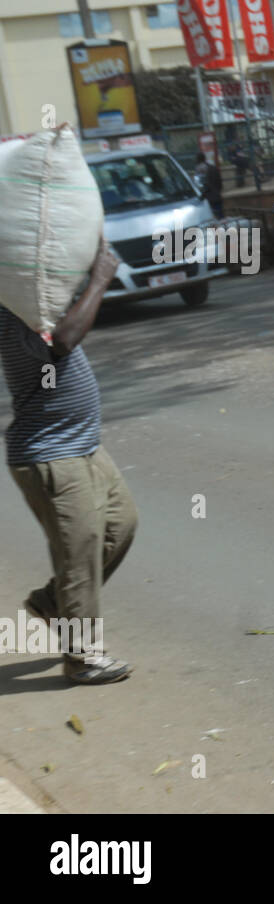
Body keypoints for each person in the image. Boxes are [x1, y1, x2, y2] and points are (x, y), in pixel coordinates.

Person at [1, 237, 138, 685]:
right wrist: (100, 278)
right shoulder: (16, 303)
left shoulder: (30, 295)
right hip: (51, 454)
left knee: (121, 525)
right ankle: (83, 659)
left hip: (82, 445)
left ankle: (52, 603)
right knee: (78, 555)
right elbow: (61, 342)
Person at [196, 151, 223, 217]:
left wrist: (202, 196)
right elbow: (219, 182)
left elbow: (202, 184)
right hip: (217, 195)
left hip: (209, 197)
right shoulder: (212, 167)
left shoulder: (199, 168)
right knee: (220, 215)